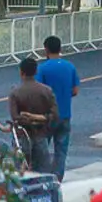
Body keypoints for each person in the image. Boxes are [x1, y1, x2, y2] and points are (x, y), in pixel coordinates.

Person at [36, 35, 80, 180]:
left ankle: (44, 177)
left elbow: (39, 92)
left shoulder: (42, 69)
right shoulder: (70, 66)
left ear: (46, 50)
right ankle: (57, 178)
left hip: (47, 116)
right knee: (61, 151)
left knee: (43, 149)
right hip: (65, 114)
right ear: (60, 49)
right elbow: (75, 91)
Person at [7, 58, 59, 173]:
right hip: (41, 135)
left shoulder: (15, 93)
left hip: (22, 136)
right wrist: (38, 118)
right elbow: (54, 115)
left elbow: (15, 117)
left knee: (20, 171)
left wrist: (27, 118)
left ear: (21, 72)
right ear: (36, 72)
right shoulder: (47, 91)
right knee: (43, 170)